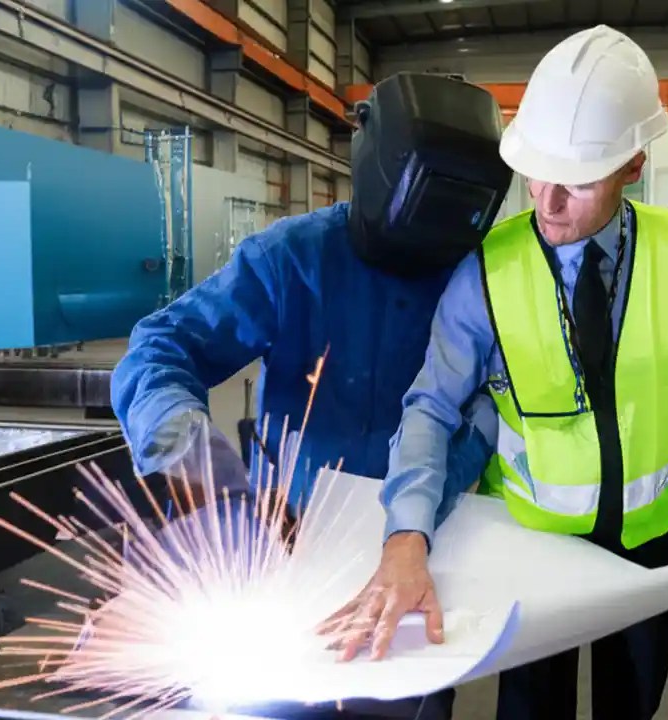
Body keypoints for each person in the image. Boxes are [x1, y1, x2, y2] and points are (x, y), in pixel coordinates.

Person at [327, 24, 668, 720]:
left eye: (576, 180)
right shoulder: (488, 270)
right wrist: (406, 537)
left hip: (651, 555)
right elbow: (432, 410)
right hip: (534, 553)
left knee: (632, 707)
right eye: (537, 172)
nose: (548, 201)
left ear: (633, 164)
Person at [109, 72, 512, 720]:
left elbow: (495, 412)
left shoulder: (482, 281)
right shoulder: (293, 260)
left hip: (412, 573)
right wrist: (201, 467)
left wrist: (420, 517)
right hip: (284, 571)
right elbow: (159, 350)